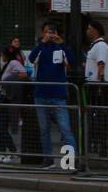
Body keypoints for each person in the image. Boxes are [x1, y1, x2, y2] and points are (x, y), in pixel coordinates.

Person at [28, 22, 78, 167]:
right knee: (44, 129)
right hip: (41, 94)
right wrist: (41, 44)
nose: (49, 34)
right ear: (43, 34)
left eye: (51, 32)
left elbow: (73, 62)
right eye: (46, 32)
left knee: (65, 129)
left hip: (58, 95)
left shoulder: (61, 48)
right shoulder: (41, 48)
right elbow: (31, 59)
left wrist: (62, 44)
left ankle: (70, 161)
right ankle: (48, 159)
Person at [0, 46, 30, 164]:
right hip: (3, 97)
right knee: (0, 126)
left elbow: (24, 73)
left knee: (1, 126)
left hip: (8, 98)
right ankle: (3, 152)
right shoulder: (7, 65)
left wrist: (9, 79)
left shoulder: (13, 63)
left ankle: (12, 152)